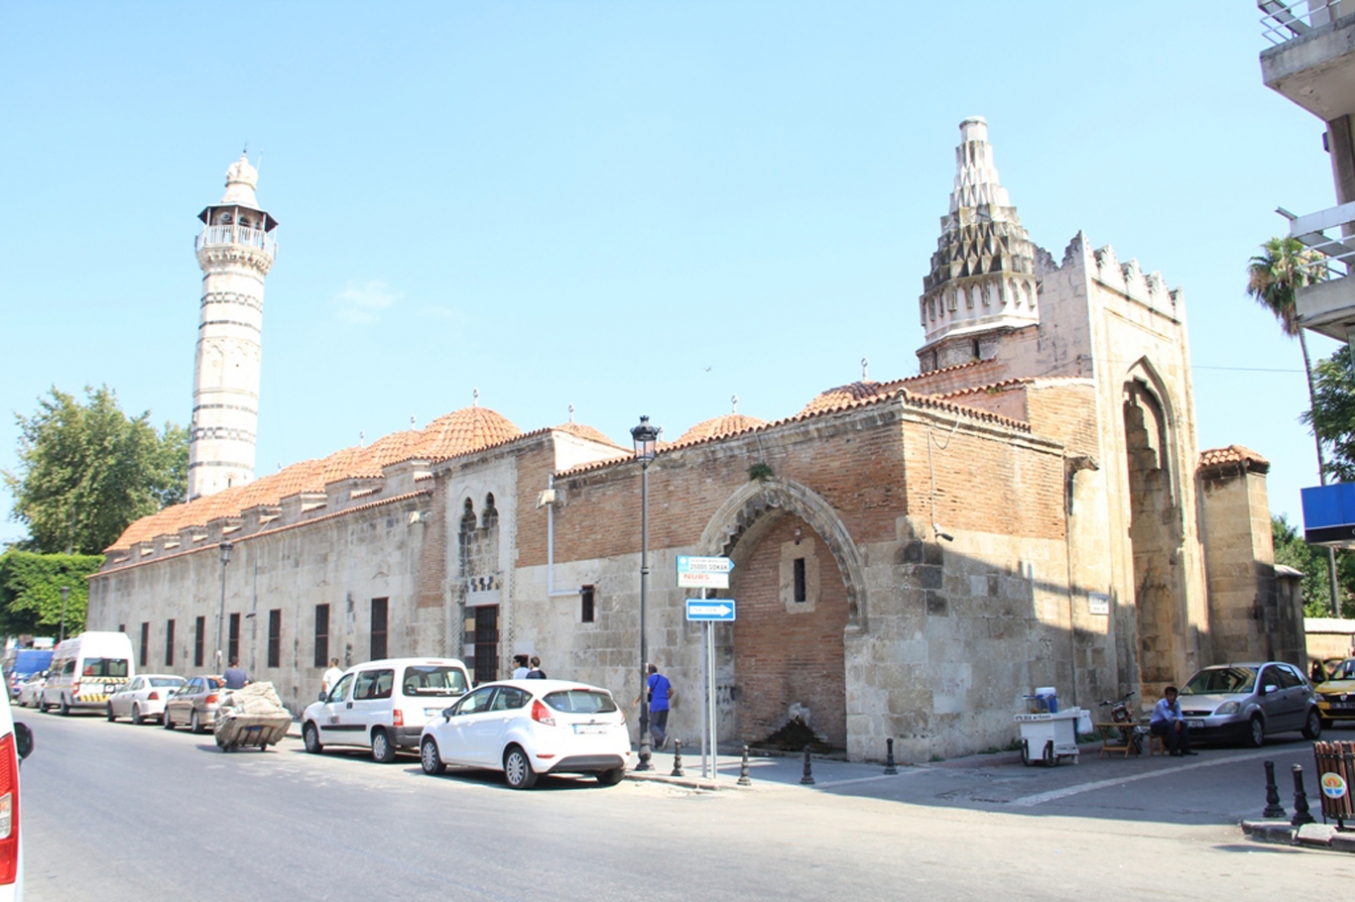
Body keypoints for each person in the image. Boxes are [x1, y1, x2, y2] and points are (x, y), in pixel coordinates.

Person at [633, 663, 674, 751]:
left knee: (652, 726)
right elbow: (671, 691)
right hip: (665, 705)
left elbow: (646, 691)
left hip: (656, 705)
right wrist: (665, 698)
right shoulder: (664, 679)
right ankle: (659, 745)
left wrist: (636, 700)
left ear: (649, 672)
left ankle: (663, 737)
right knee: (661, 726)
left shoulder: (650, 679)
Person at [1149, 685, 1195, 757]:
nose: (1172, 697)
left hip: (1168, 723)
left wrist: (1178, 721)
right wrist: (1171, 709)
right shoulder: (1160, 704)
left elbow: (1180, 715)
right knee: (1170, 725)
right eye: (1170, 695)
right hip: (1156, 725)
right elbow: (1168, 718)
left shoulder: (1176, 703)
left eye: (1174, 695)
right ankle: (1173, 750)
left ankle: (1185, 749)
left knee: (1183, 724)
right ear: (1166, 696)